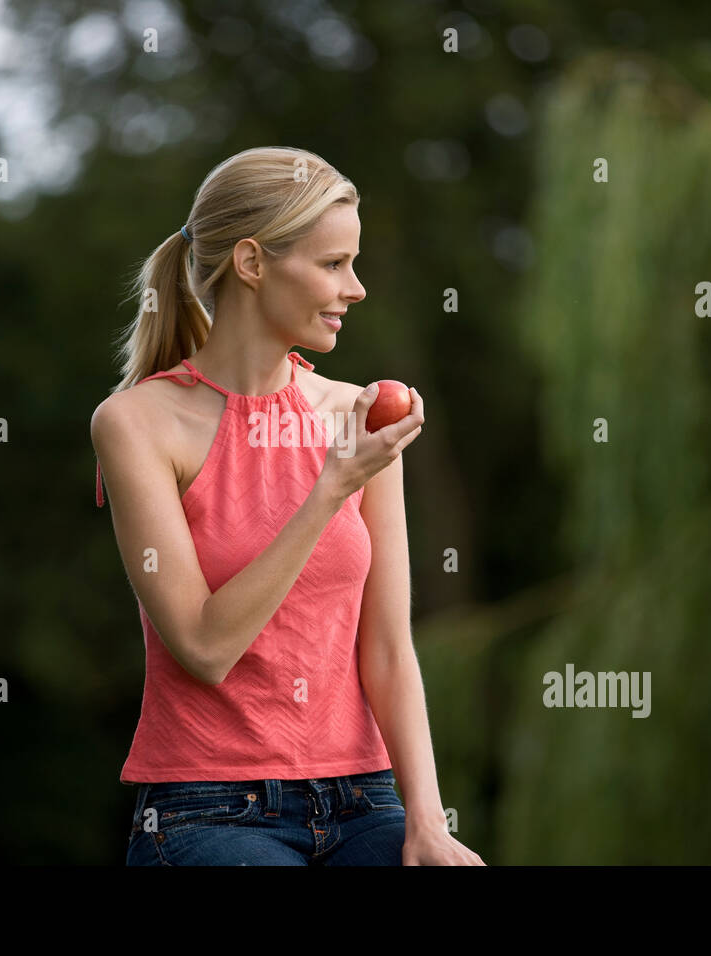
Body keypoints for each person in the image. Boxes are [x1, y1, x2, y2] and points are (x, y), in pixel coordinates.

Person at [90, 146, 484, 866]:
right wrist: (330, 487)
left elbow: (390, 648)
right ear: (251, 263)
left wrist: (428, 823)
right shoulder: (137, 423)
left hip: (364, 798)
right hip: (209, 810)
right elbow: (206, 649)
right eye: (333, 264)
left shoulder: (357, 416)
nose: (356, 287)